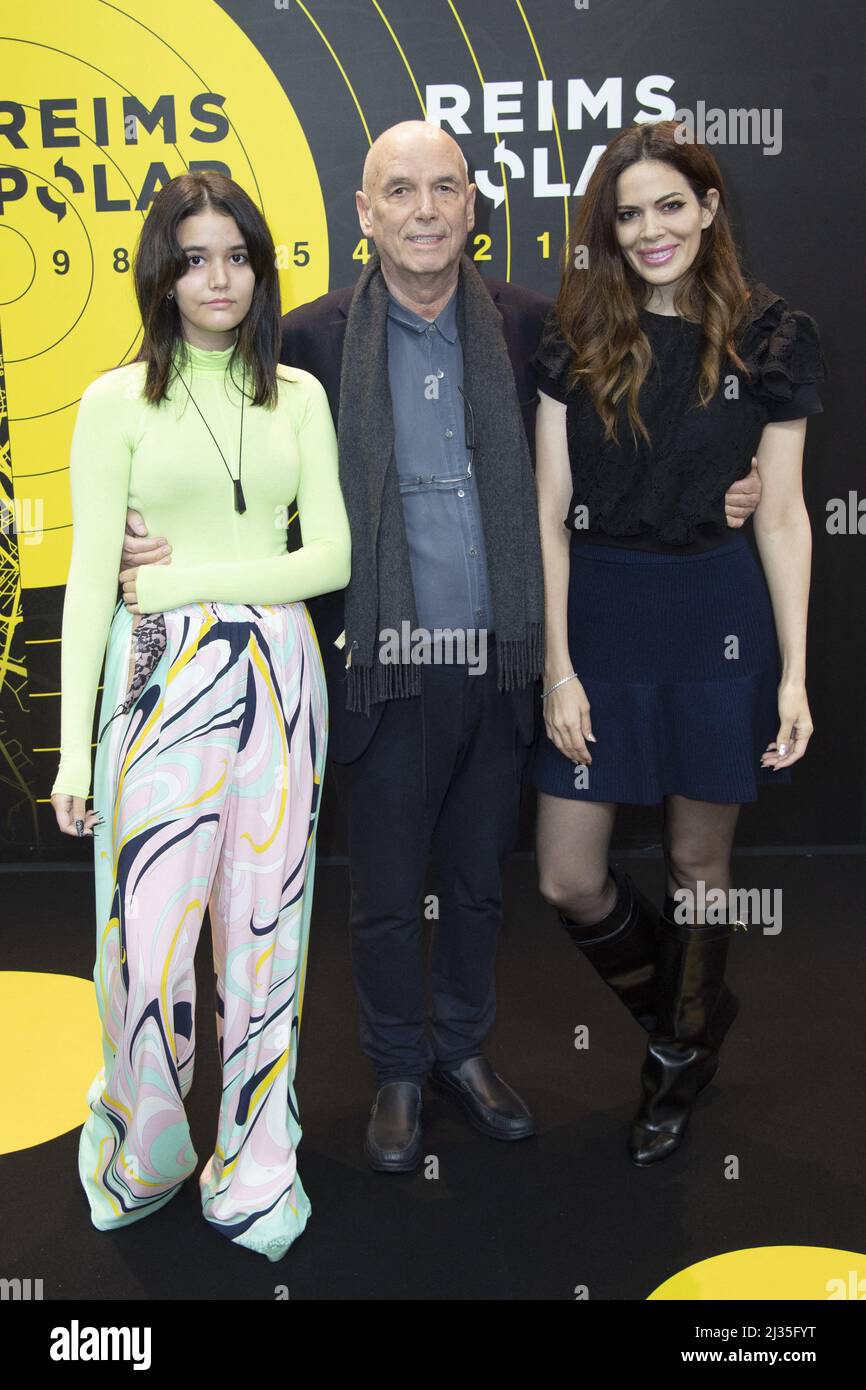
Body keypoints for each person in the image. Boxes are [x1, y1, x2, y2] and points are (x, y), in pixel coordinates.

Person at [123, 121, 760, 1174]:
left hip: (503, 661)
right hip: (378, 665)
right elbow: (210, 433)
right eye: (400, 191)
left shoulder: (532, 326)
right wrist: (136, 526)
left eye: (445, 189)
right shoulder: (309, 342)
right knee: (384, 893)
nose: (425, 210)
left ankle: (462, 1050)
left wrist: (734, 480)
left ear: (472, 206)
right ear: (364, 212)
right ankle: (397, 1071)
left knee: (474, 885)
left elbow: (623, 443)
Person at [49, 170, 350, 1258]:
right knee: (149, 943)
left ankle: (256, 1163)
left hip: (278, 683)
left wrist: (179, 582)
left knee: (267, 937)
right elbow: (91, 580)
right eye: (193, 259)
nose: (217, 279)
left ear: (260, 270)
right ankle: (150, 1147)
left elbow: (330, 558)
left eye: (236, 257)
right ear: (161, 274)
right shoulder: (111, 402)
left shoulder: (298, 396)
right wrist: (71, 752)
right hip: (154, 687)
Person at [531, 120, 824, 1165]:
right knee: (568, 876)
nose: (651, 230)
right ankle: (692, 1008)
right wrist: (558, 667)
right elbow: (547, 511)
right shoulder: (575, 333)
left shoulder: (771, 336)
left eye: (670, 205)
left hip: (715, 618)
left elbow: (781, 515)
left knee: (700, 863)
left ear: (707, 208)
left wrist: (794, 674)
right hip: (601, 616)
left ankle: (673, 1057)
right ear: (607, 231)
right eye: (628, 214)